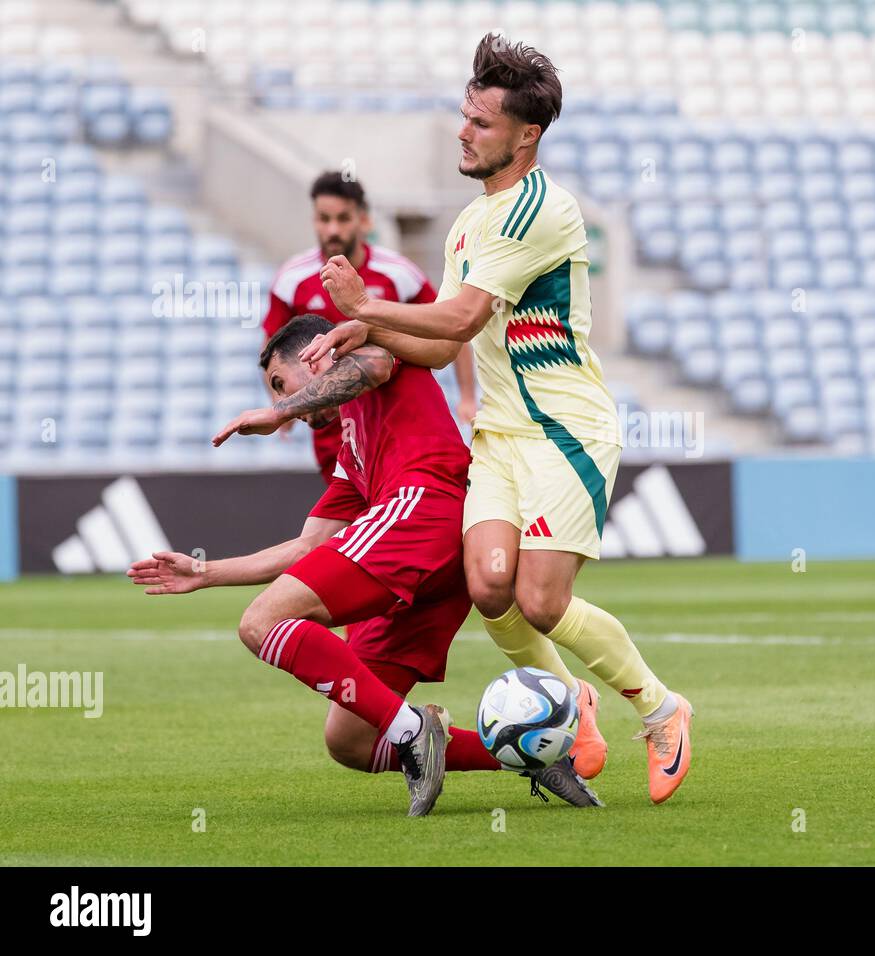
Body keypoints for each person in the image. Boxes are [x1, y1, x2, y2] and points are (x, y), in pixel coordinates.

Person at [305, 34, 693, 804]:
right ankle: (570, 704)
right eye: (464, 116)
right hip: (500, 440)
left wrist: (365, 306)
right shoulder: (467, 224)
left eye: (481, 122)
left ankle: (661, 709)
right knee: (490, 588)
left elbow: (458, 319)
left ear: (526, 135)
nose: (463, 131)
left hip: (564, 432)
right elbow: (436, 332)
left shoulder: (543, 209)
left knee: (542, 600)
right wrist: (371, 332)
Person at [128, 314, 600, 814]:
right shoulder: (350, 449)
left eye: (278, 383)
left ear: (315, 354)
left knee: (262, 622)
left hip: (421, 512)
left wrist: (281, 412)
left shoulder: (371, 346)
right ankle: (531, 756)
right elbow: (308, 547)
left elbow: (372, 367)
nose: (277, 401)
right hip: (431, 565)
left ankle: (416, 731)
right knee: (350, 741)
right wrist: (203, 573)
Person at [263, 171, 477, 483]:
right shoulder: (292, 279)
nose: (332, 229)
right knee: (348, 518)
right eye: (324, 218)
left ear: (363, 220)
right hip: (333, 427)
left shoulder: (398, 273)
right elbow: (272, 346)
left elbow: (450, 326)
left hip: (391, 419)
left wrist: (467, 396)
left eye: (343, 218)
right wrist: (279, 402)